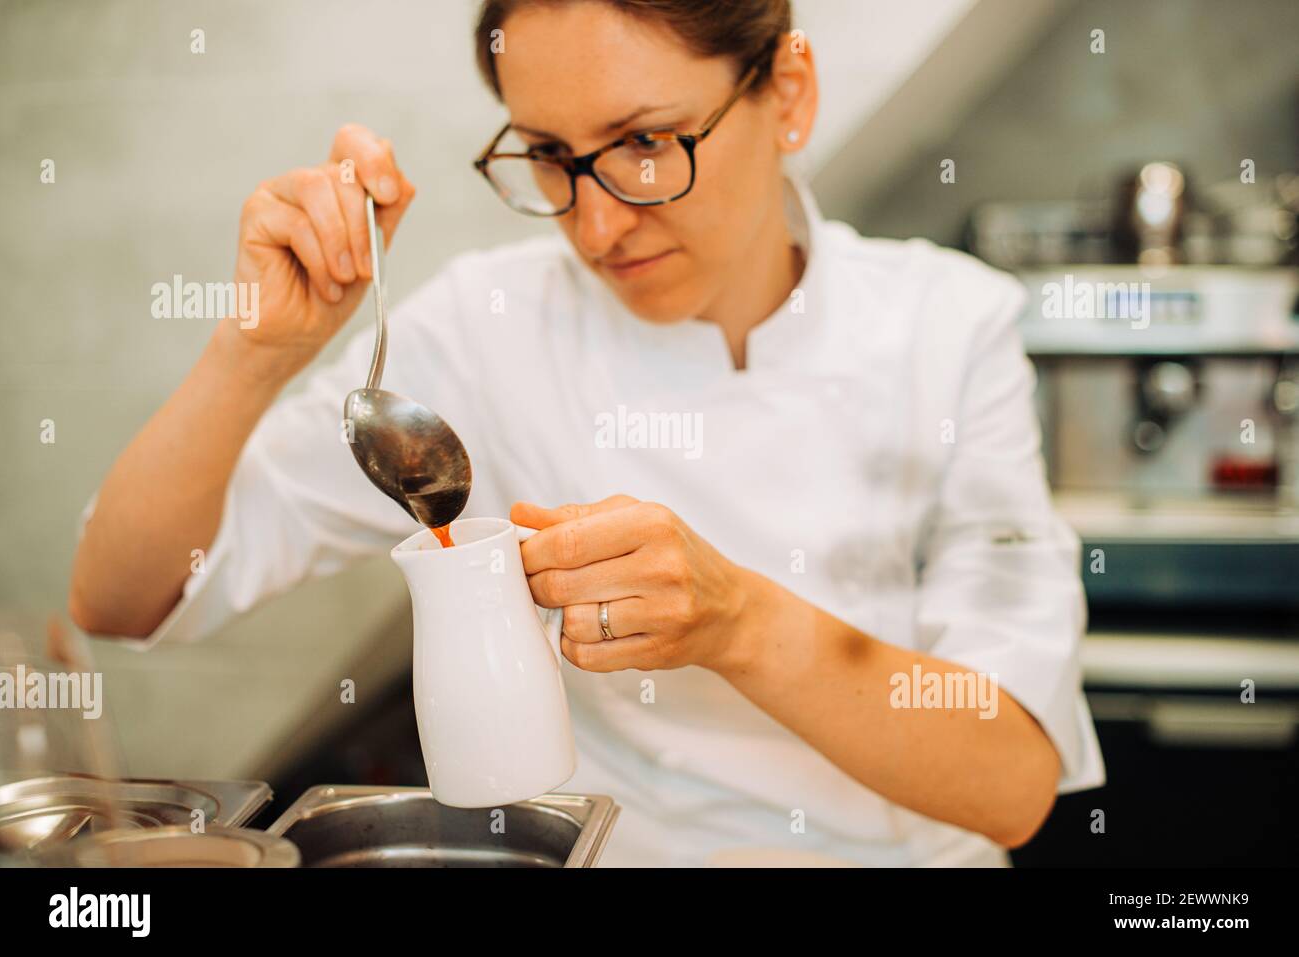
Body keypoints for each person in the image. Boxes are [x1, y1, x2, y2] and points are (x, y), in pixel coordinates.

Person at [69, 0, 1104, 866]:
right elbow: (125, 597)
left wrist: (738, 620)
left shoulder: (948, 327)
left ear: (786, 94)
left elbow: (1010, 783)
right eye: (554, 157)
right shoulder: (488, 325)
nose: (597, 225)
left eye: (647, 144)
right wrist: (255, 352)